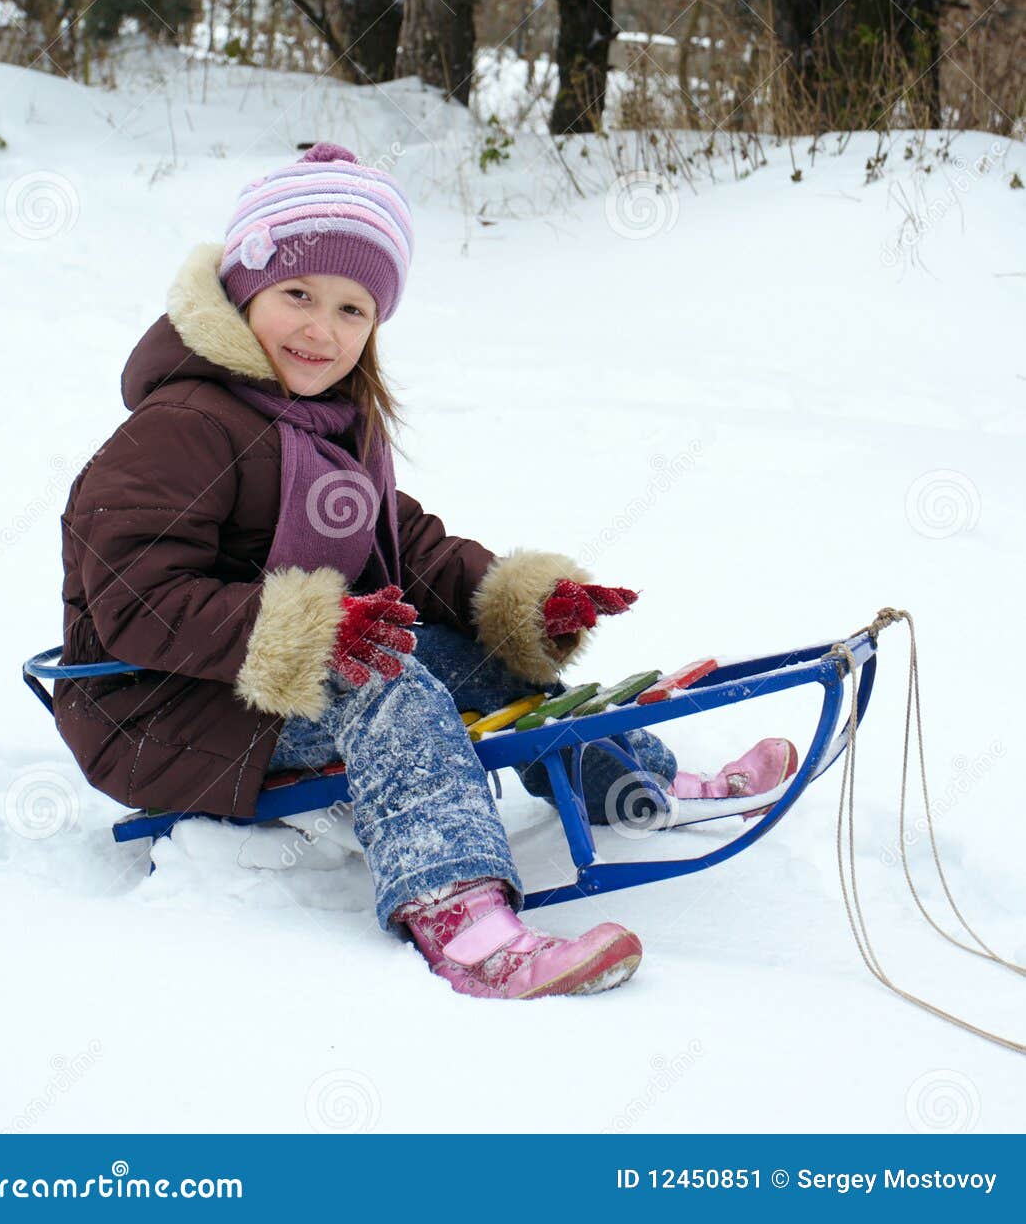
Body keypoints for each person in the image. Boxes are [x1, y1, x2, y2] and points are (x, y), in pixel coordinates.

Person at [56, 141, 797, 1001]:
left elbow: (407, 546)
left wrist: (519, 603)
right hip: (154, 703)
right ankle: (460, 913)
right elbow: (140, 601)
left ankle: (634, 787)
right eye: (296, 294)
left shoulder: (327, 423)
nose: (318, 329)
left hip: (258, 684)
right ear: (241, 288)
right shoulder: (182, 424)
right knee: (388, 685)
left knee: (478, 657)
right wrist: (313, 630)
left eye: (350, 309)